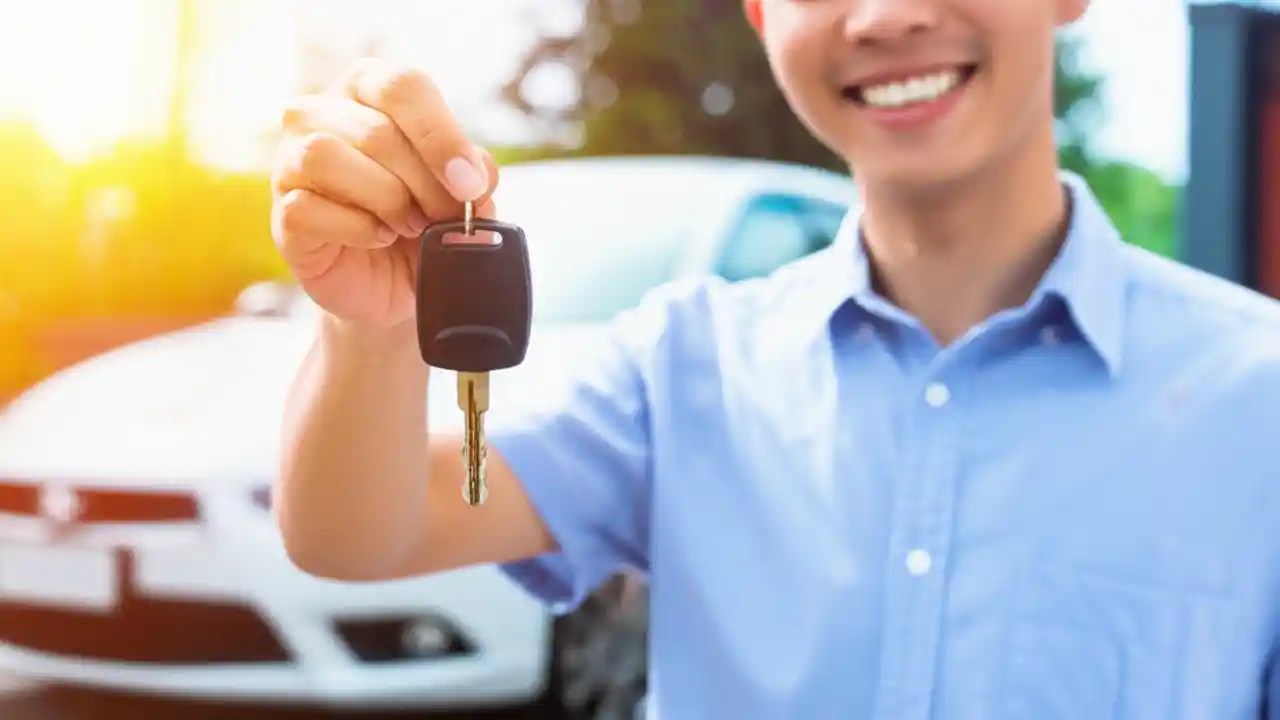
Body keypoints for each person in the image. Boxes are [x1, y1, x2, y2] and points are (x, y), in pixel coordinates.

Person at [269, 0, 1280, 717]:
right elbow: (362, 535)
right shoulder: (679, 364)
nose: (881, 15)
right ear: (759, 13)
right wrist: (371, 332)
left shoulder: (1257, 396)